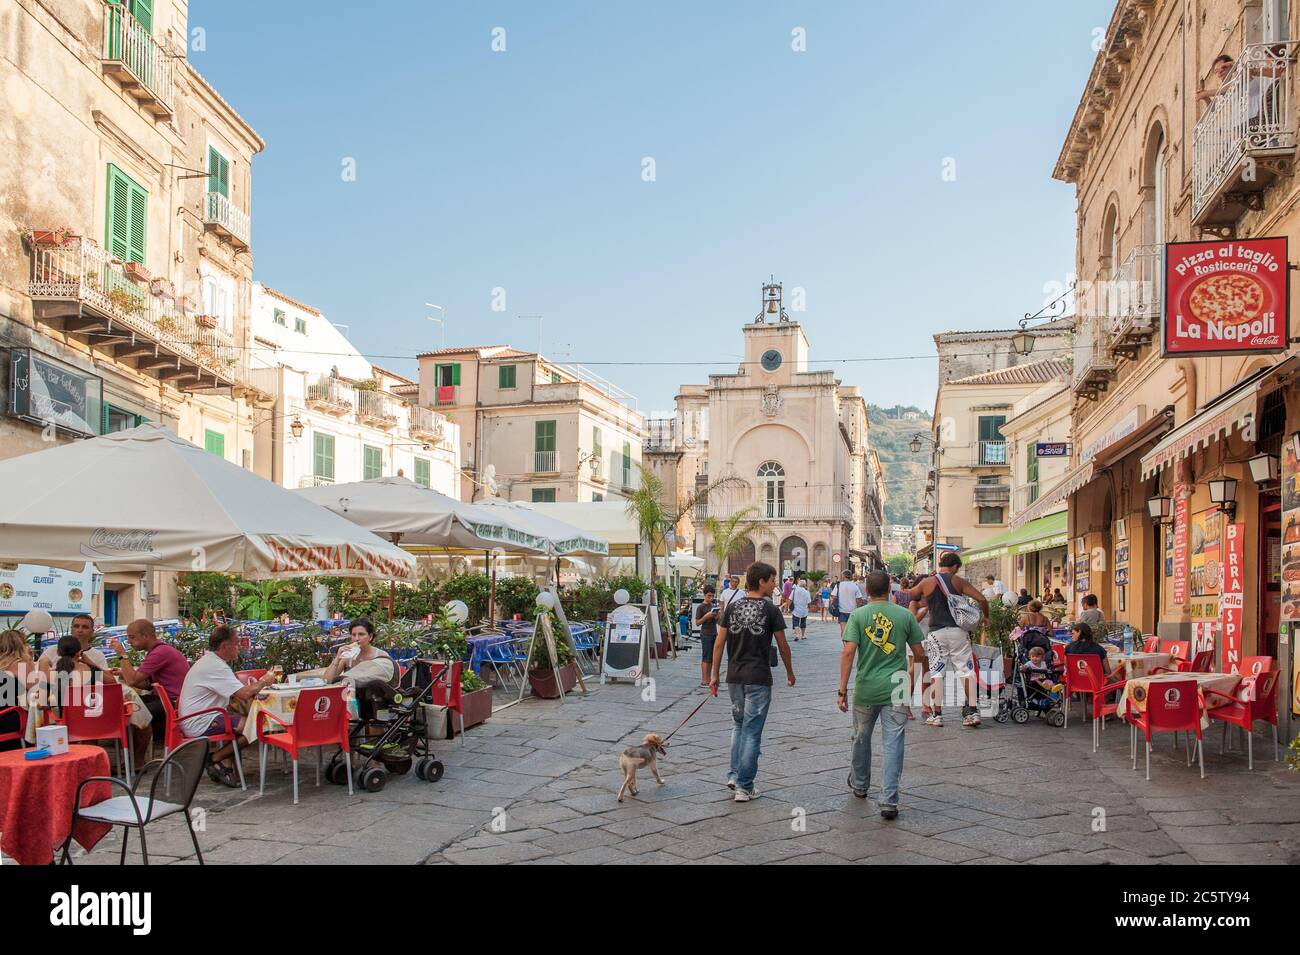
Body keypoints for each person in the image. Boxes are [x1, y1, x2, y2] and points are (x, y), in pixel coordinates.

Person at [839, 571, 928, 818]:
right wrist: (913, 674)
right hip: (897, 686)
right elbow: (920, 654)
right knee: (893, 743)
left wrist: (842, 689)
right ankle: (889, 800)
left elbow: (847, 654)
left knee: (860, 738)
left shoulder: (858, 616)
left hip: (866, 686)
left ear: (866, 590)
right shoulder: (904, 615)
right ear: (890, 588)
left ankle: (859, 784)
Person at [709, 562, 794, 802]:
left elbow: (719, 643)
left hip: (734, 677)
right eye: (772, 580)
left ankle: (735, 775)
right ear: (762, 581)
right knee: (752, 731)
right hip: (757, 677)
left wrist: (715, 675)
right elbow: (783, 646)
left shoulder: (733, 607)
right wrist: (789, 672)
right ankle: (745, 787)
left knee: (738, 726)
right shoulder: (771, 611)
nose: (775, 584)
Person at [177, 626, 276, 787]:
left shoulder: (211, 662)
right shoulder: (215, 666)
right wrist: (265, 680)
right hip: (200, 720)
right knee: (254, 726)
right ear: (224, 646)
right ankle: (214, 759)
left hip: (203, 715)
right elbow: (243, 694)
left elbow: (237, 692)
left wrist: (253, 689)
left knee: (246, 720)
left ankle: (225, 766)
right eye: (236, 644)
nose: (240, 647)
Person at [908, 551, 989, 728]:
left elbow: (912, 593)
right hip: (957, 631)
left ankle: (937, 715)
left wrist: (924, 589)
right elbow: (982, 599)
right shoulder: (957, 581)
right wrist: (986, 617)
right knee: (966, 670)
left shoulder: (928, 581)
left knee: (937, 672)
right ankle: (973, 712)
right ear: (954, 567)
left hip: (936, 633)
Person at [111, 619, 191, 766]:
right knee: (127, 708)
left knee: (137, 712)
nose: (129, 641)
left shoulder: (160, 653)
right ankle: (133, 759)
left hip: (173, 701)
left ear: (146, 636)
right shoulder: (157, 651)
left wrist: (122, 655)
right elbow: (147, 685)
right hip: (163, 697)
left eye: (132, 637)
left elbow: (133, 681)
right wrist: (124, 674)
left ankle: (138, 760)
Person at [323, 617, 397, 688]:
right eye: (353, 635)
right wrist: (337, 658)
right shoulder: (348, 657)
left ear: (370, 636)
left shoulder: (381, 656)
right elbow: (326, 680)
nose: (357, 639)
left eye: (361, 634)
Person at [0, 630, 35, 752]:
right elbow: (37, 692)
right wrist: (30, 660)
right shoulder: (20, 664)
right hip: (10, 720)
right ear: (22, 645)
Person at [36, 613, 107, 673]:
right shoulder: (51, 650)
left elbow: (109, 680)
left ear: (92, 631)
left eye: (85, 627)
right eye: (76, 626)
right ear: (71, 629)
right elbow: (38, 675)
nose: (80, 630)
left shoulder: (98, 656)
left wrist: (89, 662)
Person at [695, 586, 720, 688]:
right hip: (705, 634)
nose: (711, 598)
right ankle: (704, 679)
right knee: (706, 656)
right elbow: (697, 622)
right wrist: (706, 616)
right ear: (704, 595)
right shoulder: (701, 607)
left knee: (712, 658)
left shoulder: (713, 605)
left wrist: (717, 615)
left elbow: (717, 621)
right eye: (709, 596)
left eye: (712, 596)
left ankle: (709, 678)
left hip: (714, 632)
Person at [834, 570, 863, 635]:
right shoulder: (855, 585)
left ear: (843, 576)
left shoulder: (838, 585)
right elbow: (859, 598)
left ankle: (845, 645)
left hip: (842, 610)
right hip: (853, 611)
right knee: (852, 631)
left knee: (843, 631)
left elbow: (833, 596)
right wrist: (858, 609)